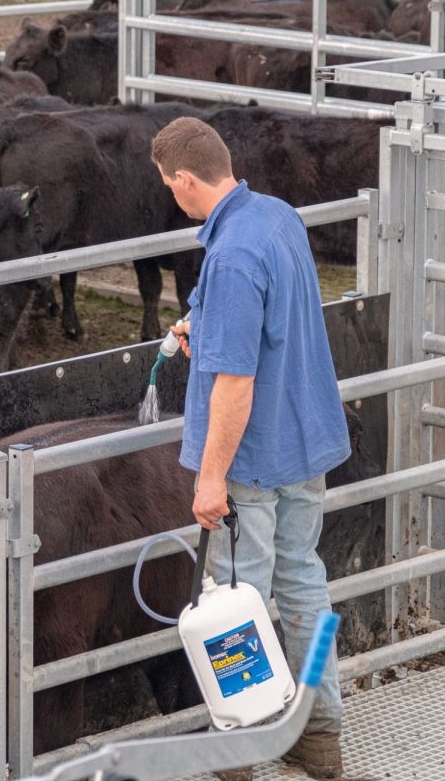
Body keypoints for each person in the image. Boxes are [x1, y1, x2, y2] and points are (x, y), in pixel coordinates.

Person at [150, 117, 351, 781]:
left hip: (253, 457)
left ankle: (241, 744)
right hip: (304, 439)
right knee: (303, 582)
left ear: (186, 179)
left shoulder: (231, 255)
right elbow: (271, 319)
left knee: (241, 597)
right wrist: (203, 325)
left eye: (169, 185)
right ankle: (318, 734)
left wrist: (211, 477)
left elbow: (235, 384)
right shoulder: (276, 216)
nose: (171, 195)